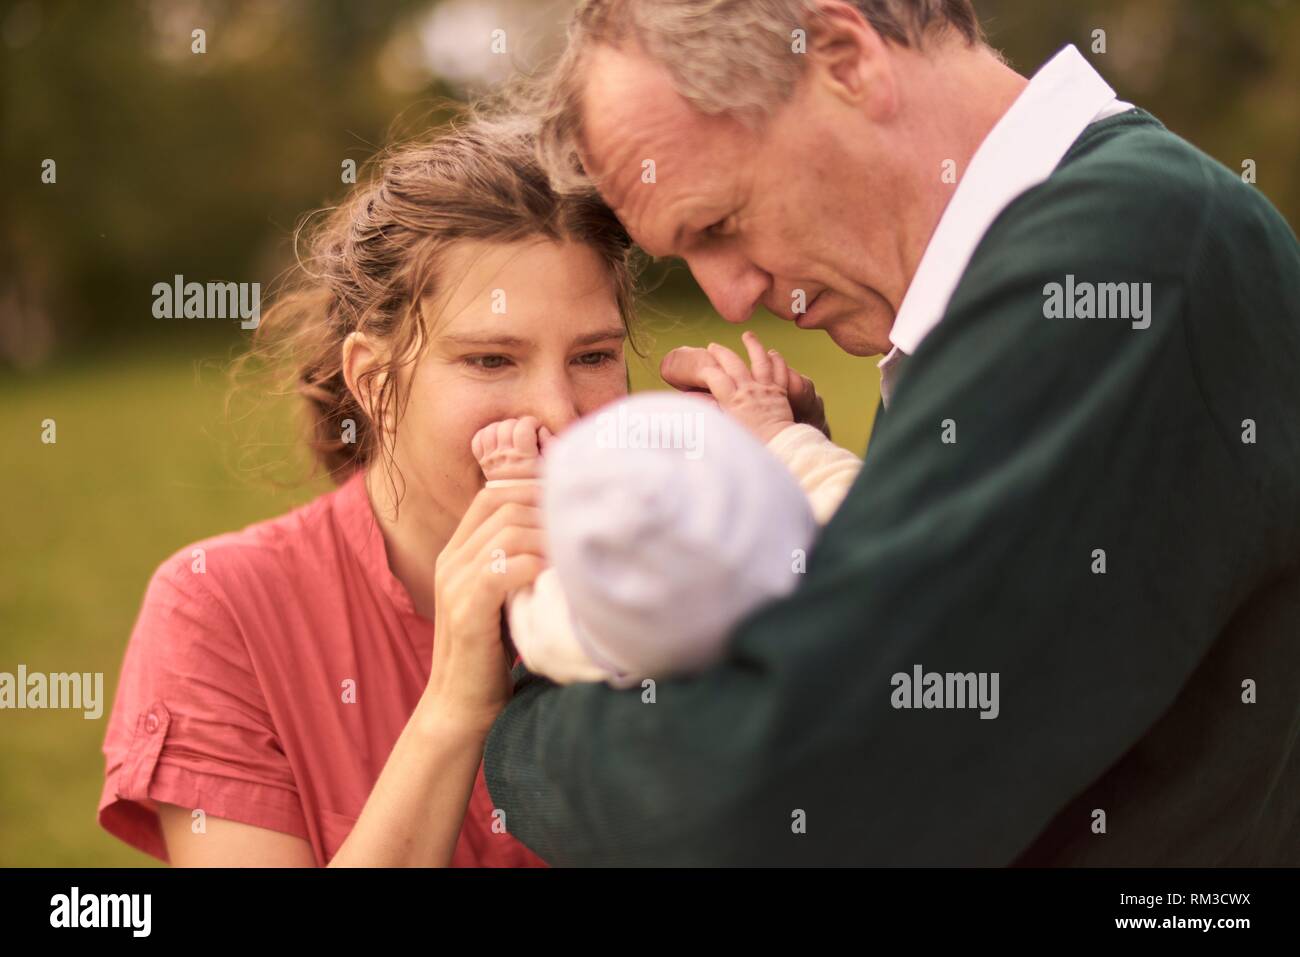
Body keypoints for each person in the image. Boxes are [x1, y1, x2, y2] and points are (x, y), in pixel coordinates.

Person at [482, 0, 1300, 865]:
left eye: (721, 225)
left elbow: (792, 795)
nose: (729, 296)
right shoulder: (1040, 270)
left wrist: (536, 692)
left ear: (843, 56)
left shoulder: (1118, 259)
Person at [99, 114, 644, 866]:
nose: (558, 411)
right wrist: (454, 705)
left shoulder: (675, 569)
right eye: (490, 360)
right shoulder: (218, 610)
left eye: (592, 355)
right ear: (373, 380)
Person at [472, 352, 861, 686]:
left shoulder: (605, 634)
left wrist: (518, 483)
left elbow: (536, 619)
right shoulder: (806, 569)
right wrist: (775, 429)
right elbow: (849, 497)